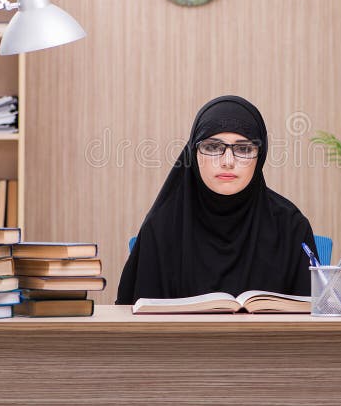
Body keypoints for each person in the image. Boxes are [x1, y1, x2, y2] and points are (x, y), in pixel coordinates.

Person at [115, 95, 318, 304]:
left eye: (243, 149)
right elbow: (138, 325)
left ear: (261, 156)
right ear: (194, 154)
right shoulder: (161, 228)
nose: (228, 161)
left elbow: (313, 323)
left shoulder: (291, 227)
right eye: (213, 147)